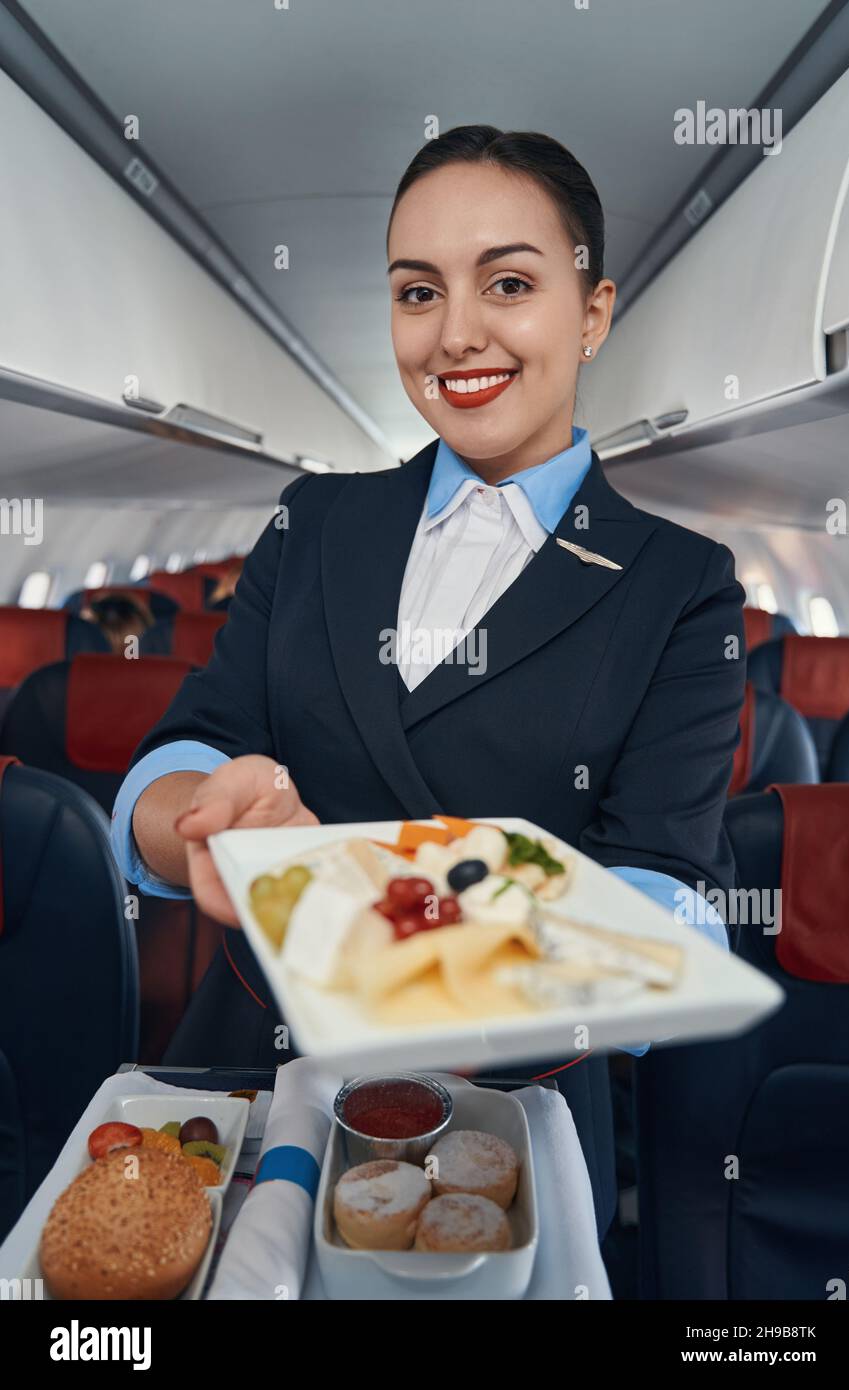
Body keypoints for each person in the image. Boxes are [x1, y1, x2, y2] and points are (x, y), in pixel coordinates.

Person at [110, 125, 744, 1237]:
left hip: (510, 1098)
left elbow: (666, 895)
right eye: (417, 292)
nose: (456, 334)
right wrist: (190, 821)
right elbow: (194, 744)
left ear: (590, 314)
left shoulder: (677, 588)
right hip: (252, 1059)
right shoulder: (314, 521)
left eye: (507, 282)